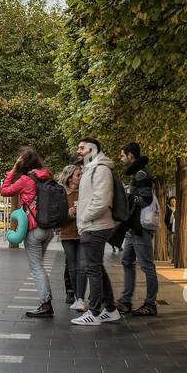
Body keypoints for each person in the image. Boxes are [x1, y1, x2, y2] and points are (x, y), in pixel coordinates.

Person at [0, 148, 56, 317]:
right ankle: (46, 301)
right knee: (39, 265)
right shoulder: (48, 177)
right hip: (48, 229)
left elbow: (5, 190)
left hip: (33, 229)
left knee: (37, 267)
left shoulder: (25, 180)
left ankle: (46, 304)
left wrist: (14, 170)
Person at [71, 138, 121, 326]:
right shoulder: (92, 168)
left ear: (92, 149)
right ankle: (111, 310)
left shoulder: (101, 169)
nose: (79, 151)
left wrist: (85, 217)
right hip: (92, 224)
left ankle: (94, 312)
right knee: (97, 267)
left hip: (95, 225)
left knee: (92, 268)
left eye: (82, 148)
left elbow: (102, 199)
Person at [116, 142, 158, 316]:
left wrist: (128, 197)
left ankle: (150, 304)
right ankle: (126, 300)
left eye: (122, 155)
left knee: (147, 266)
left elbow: (146, 199)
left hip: (140, 227)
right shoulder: (137, 173)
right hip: (133, 228)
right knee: (126, 261)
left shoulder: (141, 174)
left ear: (130, 155)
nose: (121, 158)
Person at [58, 157, 85, 310]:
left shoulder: (84, 193)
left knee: (81, 267)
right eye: (78, 175)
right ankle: (73, 294)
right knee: (72, 267)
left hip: (82, 233)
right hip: (67, 234)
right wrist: (67, 213)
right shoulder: (61, 194)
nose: (80, 177)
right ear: (69, 178)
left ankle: (80, 297)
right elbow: (57, 217)